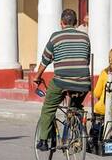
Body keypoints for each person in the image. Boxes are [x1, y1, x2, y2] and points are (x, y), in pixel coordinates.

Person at [34, 8, 94, 151]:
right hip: (83, 81)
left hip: (61, 81)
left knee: (48, 107)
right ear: (76, 23)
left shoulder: (55, 37)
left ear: (61, 23)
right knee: (76, 107)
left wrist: (37, 77)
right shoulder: (85, 37)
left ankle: (43, 141)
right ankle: (78, 132)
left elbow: (45, 60)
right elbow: (86, 60)